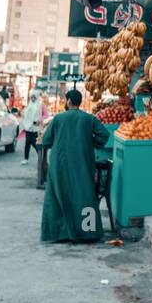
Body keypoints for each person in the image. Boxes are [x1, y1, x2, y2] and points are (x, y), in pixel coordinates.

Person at [39, 89, 108, 243]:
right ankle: (87, 232)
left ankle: (59, 233)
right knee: (84, 195)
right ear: (79, 102)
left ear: (69, 101)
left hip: (60, 163)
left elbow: (45, 141)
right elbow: (104, 135)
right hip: (83, 162)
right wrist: (91, 142)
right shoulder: (89, 119)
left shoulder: (58, 119)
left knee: (57, 195)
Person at [21, 92, 43, 164]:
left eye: (34, 97)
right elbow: (26, 115)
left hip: (35, 127)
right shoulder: (29, 105)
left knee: (34, 142)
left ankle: (40, 157)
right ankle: (26, 159)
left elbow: (44, 115)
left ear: (36, 97)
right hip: (28, 127)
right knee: (27, 143)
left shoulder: (39, 105)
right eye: (31, 97)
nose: (32, 99)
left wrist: (39, 121)